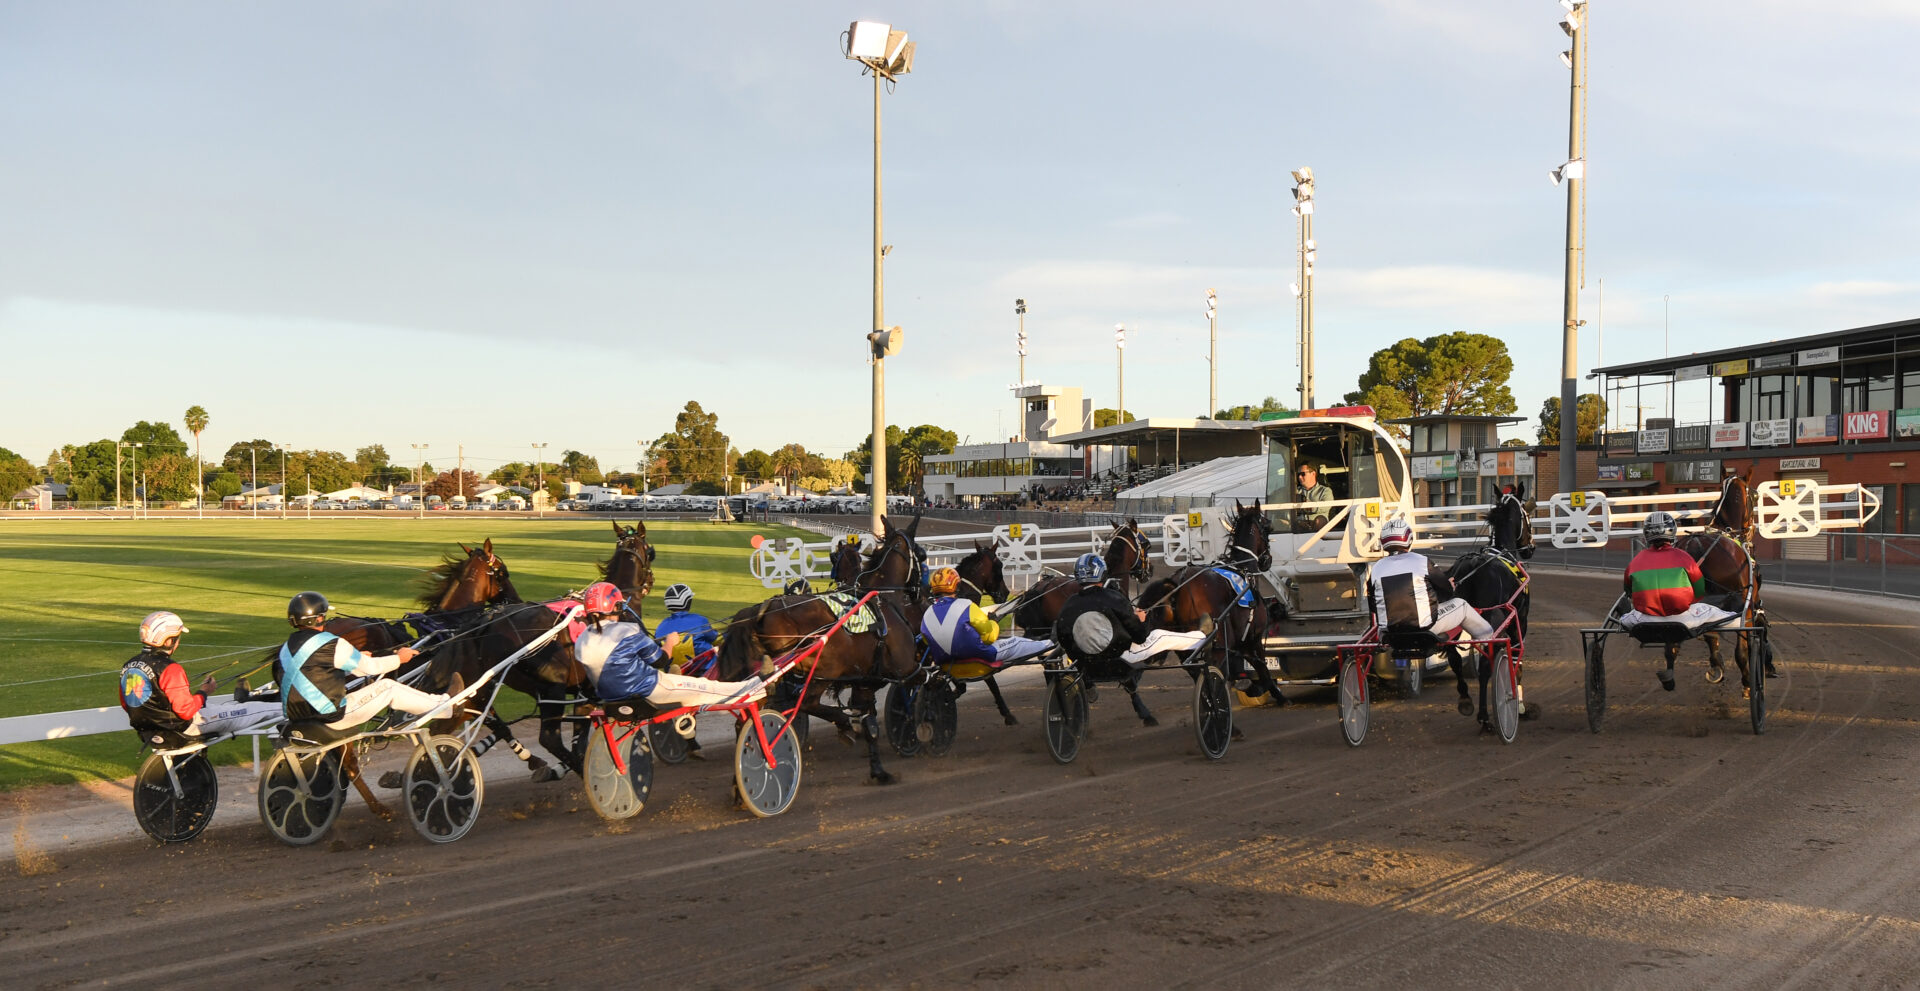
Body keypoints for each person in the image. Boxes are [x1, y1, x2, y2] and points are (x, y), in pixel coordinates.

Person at [278, 591, 453, 730]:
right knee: (389, 687)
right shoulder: (332, 643)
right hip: (332, 716)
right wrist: (399, 658)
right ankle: (446, 706)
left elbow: (314, 670)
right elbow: (370, 668)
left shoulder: (285, 648)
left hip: (296, 715)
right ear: (319, 618)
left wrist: (359, 658)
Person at [574, 582, 763, 708]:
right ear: (614, 607)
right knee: (705, 686)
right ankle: (755, 687)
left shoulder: (582, 639)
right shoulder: (627, 630)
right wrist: (670, 643)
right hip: (650, 689)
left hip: (610, 696)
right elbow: (658, 660)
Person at [120, 611, 281, 741]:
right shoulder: (170, 668)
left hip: (148, 731)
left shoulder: (128, 666)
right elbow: (185, 711)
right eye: (177, 638)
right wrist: (204, 692)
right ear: (168, 641)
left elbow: (128, 703)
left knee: (224, 707)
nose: (178, 642)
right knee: (251, 710)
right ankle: (288, 708)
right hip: (182, 727)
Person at [1363, 517, 1495, 652]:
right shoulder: (1422, 561)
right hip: (1425, 628)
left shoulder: (1376, 569)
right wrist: (1450, 586)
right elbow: (1447, 591)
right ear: (1408, 538)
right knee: (1461, 605)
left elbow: (1374, 607)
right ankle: (1490, 639)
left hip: (1388, 633)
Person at [1054, 553, 1203, 669]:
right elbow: (1140, 637)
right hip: (1119, 658)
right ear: (1102, 573)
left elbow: (1062, 636)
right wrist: (1141, 620)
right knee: (1160, 635)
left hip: (1083, 660)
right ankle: (1203, 638)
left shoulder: (1069, 603)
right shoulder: (1114, 598)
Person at [1619, 509, 1736, 644]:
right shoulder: (1683, 556)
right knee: (1715, 612)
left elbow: (1628, 592)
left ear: (1646, 534)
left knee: (1624, 618)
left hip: (1644, 621)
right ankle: (1744, 620)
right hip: (1683, 620)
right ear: (1672, 531)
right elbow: (1699, 591)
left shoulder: (1635, 561)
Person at [919, 567, 1053, 668]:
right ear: (957, 586)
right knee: (1017, 642)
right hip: (979, 656)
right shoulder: (966, 605)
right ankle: (1051, 645)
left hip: (945, 662)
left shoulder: (928, 612)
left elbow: (927, 639)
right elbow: (990, 636)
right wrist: (993, 623)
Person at [653, 583, 721, 671]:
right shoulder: (700, 620)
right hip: (704, 673)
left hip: (674, 676)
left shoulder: (661, 627)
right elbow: (716, 638)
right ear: (688, 601)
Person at [1294, 461, 1335, 530]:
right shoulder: (1295, 491)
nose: (1299, 477)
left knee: (1320, 520)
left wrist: (1311, 507)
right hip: (1298, 524)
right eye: (1298, 474)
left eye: (1302, 474)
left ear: (1313, 474)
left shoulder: (1325, 491)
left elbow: (1327, 506)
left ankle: (1318, 540)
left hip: (1317, 525)